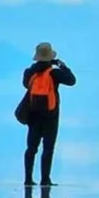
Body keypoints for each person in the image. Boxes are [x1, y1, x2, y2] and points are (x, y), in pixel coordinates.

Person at [20, 42, 77, 187]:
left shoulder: (29, 73)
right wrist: (62, 66)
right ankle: (45, 180)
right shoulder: (54, 73)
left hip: (33, 115)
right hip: (51, 116)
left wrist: (35, 67)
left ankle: (28, 179)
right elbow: (72, 81)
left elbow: (26, 84)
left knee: (31, 148)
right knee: (48, 148)